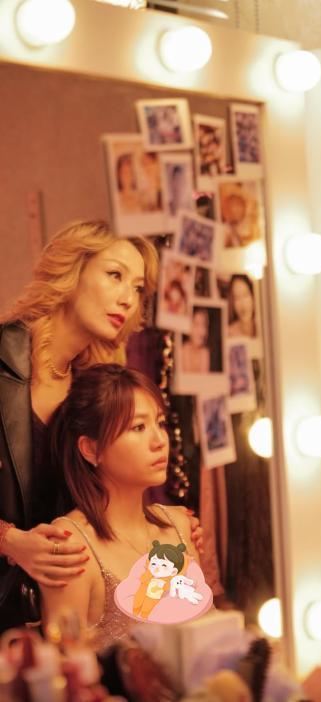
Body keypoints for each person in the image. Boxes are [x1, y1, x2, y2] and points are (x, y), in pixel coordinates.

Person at [0, 220, 202, 632]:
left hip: (48, 609)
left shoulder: (95, 385)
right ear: (72, 271)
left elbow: (103, 491)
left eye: (138, 288)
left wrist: (163, 527)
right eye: (114, 275)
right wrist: (10, 541)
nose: (128, 298)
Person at [41, 364, 201, 650]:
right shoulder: (72, 544)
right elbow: (67, 667)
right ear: (91, 449)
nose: (159, 441)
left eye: (160, 423)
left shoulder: (179, 524)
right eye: (138, 427)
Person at [181, 308, 210, 373]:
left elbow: (203, 377)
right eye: (196, 324)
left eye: (204, 325)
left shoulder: (204, 352)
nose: (201, 330)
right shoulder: (182, 350)